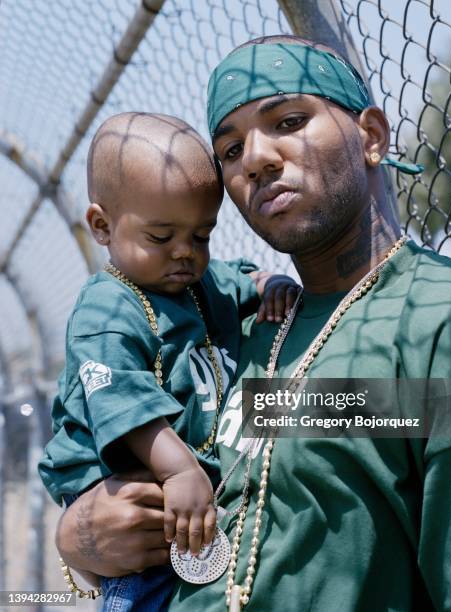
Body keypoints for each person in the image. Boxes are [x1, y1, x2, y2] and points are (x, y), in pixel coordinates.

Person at [55, 37, 451, 611]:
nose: (256, 158)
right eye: (230, 150)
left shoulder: (445, 323)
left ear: (371, 137)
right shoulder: (248, 327)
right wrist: (81, 538)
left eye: (289, 120)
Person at [38, 111, 298, 611]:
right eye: (162, 238)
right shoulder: (108, 308)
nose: (185, 254)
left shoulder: (206, 285)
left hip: (187, 510)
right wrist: (179, 471)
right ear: (102, 225)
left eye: (201, 236)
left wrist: (276, 286)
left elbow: (249, 278)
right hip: (137, 504)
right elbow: (122, 400)